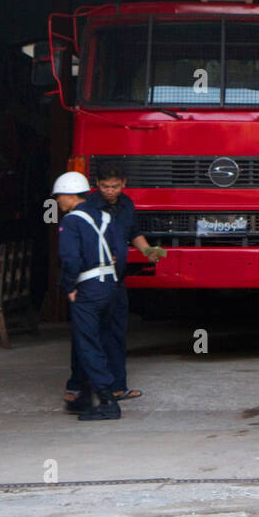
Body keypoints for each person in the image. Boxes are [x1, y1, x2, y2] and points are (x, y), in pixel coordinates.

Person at [64, 164, 163, 409]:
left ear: (124, 183)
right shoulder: (87, 206)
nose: (110, 191)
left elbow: (134, 233)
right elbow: (76, 249)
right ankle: (77, 387)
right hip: (91, 281)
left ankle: (118, 385)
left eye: (115, 186)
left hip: (116, 281)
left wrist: (147, 250)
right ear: (96, 184)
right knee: (86, 336)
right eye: (105, 186)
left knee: (116, 333)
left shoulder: (127, 205)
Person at [52, 171, 121, 422]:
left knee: (87, 344)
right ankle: (82, 397)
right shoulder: (105, 217)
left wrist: (69, 286)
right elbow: (118, 252)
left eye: (59, 196)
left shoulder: (71, 222)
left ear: (70, 195)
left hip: (88, 289)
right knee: (98, 339)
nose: (58, 201)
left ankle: (107, 400)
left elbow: (71, 259)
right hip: (109, 286)